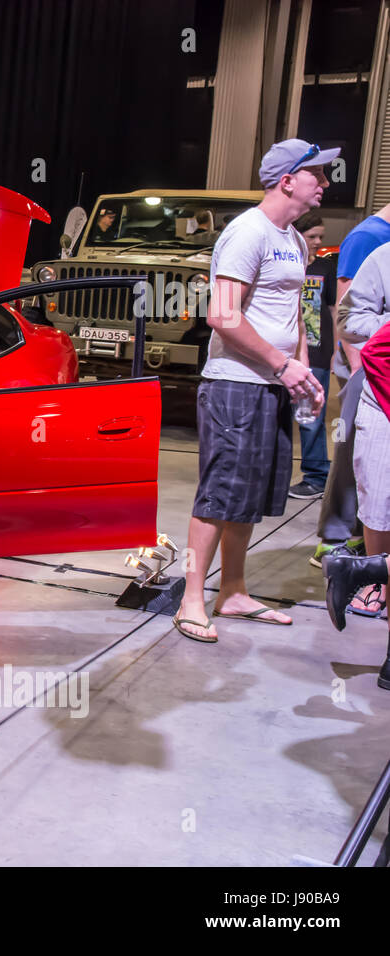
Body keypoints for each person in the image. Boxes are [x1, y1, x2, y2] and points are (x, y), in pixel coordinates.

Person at [173, 139, 336, 643]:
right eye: (318, 174)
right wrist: (279, 364)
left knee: (248, 495)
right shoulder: (248, 232)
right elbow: (221, 315)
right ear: (288, 180)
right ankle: (191, 598)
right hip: (236, 385)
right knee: (220, 493)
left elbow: (295, 314)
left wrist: (302, 371)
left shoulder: (295, 238)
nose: (326, 184)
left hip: (273, 384)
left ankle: (235, 591)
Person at [312, 201, 390, 580]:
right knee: (351, 458)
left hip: (371, 370)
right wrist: (359, 368)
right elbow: (346, 309)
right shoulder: (371, 239)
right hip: (372, 377)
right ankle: (339, 542)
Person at [335, 239, 390, 619]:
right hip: (384, 393)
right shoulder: (384, 257)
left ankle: (362, 571)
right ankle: (374, 578)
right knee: (378, 495)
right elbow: (348, 319)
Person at [288, 210, 337, 499]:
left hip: (317, 351)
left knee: (310, 417)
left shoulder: (325, 268)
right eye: (312, 236)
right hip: (285, 351)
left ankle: (317, 476)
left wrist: (335, 351)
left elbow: (333, 310)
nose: (318, 242)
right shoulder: (288, 265)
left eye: (321, 236)